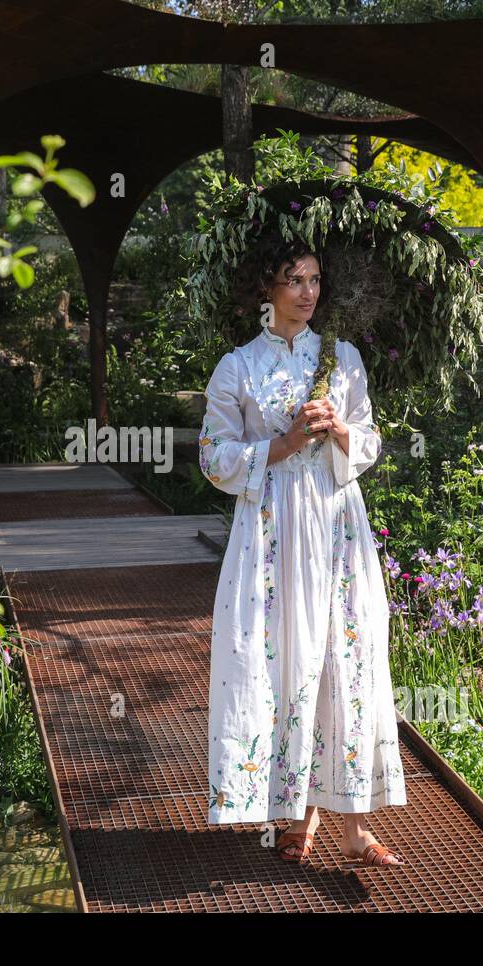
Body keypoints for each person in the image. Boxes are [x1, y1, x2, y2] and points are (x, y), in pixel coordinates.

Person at [198, 239, 407, 867]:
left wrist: (341, 431)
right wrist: (283, 445)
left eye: (315, 279)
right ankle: (291, 816)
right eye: (293, 279)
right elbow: (213, 457)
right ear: (268, 286)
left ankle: (354, 827)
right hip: (270, 531)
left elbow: (367, 437)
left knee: (344, 654)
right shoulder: (236, 367)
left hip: (336, 524)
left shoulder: (342, 359)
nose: (307, 291)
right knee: (283, 658)